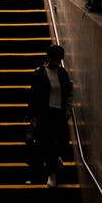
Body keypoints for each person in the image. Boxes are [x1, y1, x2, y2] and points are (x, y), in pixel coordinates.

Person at [26, 44, 73, 187]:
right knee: (48, 143)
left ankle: (55, 160)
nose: (57, 63)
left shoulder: (62, 73)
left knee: (61, 142)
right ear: (48, 58)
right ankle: (52, 174)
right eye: (55, 60)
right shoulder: (39, 73)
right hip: (45, 114)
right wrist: (32, 116)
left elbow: (69, 91)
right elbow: (33, 96)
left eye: (59, 60)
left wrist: (68, 109)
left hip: (60, 113)